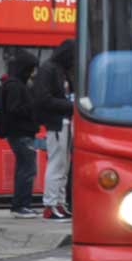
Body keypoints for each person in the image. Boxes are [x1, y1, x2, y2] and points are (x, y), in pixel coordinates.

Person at [34, 40, 76, 221]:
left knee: (63, 166)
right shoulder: (50, 70)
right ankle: (50, 205)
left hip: (63, 121)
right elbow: (43, 99)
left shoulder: (58, 69)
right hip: (57, 122)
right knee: (57, 165)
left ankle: (58, 203)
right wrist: (70, 105)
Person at [0, 50, 42, 219]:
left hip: (19, 132)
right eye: (30, 69)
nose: (32, 73)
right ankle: (21, 206)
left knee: (24, 168)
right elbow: (14, 109)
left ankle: (21, 204)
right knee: (28, 169)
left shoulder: (14, 84)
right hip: (21, 132)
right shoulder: (16, 86)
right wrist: (32, 108)